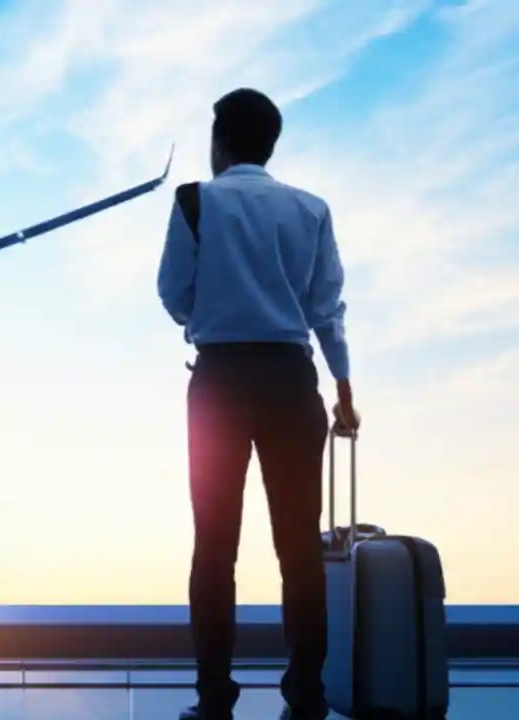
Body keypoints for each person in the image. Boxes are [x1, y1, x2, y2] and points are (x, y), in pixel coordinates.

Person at [157, 88, 360, 720]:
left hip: (218, 381)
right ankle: (306, 695)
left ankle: (214, 696)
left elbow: (173, 293)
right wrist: (343, 388)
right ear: (271, 145)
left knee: (214, 546)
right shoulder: (311, 208)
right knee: (298, 548)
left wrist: (209, 316)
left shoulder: (194, 201)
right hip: (291, 380)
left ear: (219, 142)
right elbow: (326, 308)